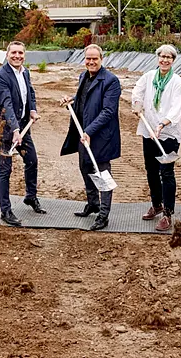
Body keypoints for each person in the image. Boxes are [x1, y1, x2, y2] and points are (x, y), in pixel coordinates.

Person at [60, 44, 121, 231]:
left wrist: (90, 131)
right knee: (85, 168)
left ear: (102, 59)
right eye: (88, 58)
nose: (91, 62)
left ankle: (103, 214)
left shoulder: (111, 81)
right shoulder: (83, 76)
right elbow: (84, 98)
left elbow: (108, 111)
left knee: (102, 173)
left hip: (101, 136)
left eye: (95, 58)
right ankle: (92, 203)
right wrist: (71, 99)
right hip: (83, 133)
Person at [131, 44, 181, 232]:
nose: (164, 60)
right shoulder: (148, 77)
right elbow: (137, 92)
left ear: (173, 60)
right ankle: (156, 204)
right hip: (149, 130)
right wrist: (137, 104)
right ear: (157, 58)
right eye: (162, 56)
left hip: (168, 133)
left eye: (169, 57)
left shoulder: (177, 82)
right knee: (151, 170)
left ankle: (168, 214)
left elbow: (176, 108)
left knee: (167, 172)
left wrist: (163, 124)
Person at [0, 41, 44, 227]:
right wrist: (15, 130)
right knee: (5, 169)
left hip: (23, 126)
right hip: (3, 129)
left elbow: (29, 91)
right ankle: (5, 210)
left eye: (20, 53)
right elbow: (6, 104)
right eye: (13, 53)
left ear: (24, 55)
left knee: (32, 161)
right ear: (7, 55)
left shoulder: (25, 71)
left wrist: (32, 109)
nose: (17, 56)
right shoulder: (0, 76)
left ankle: (30, 197)